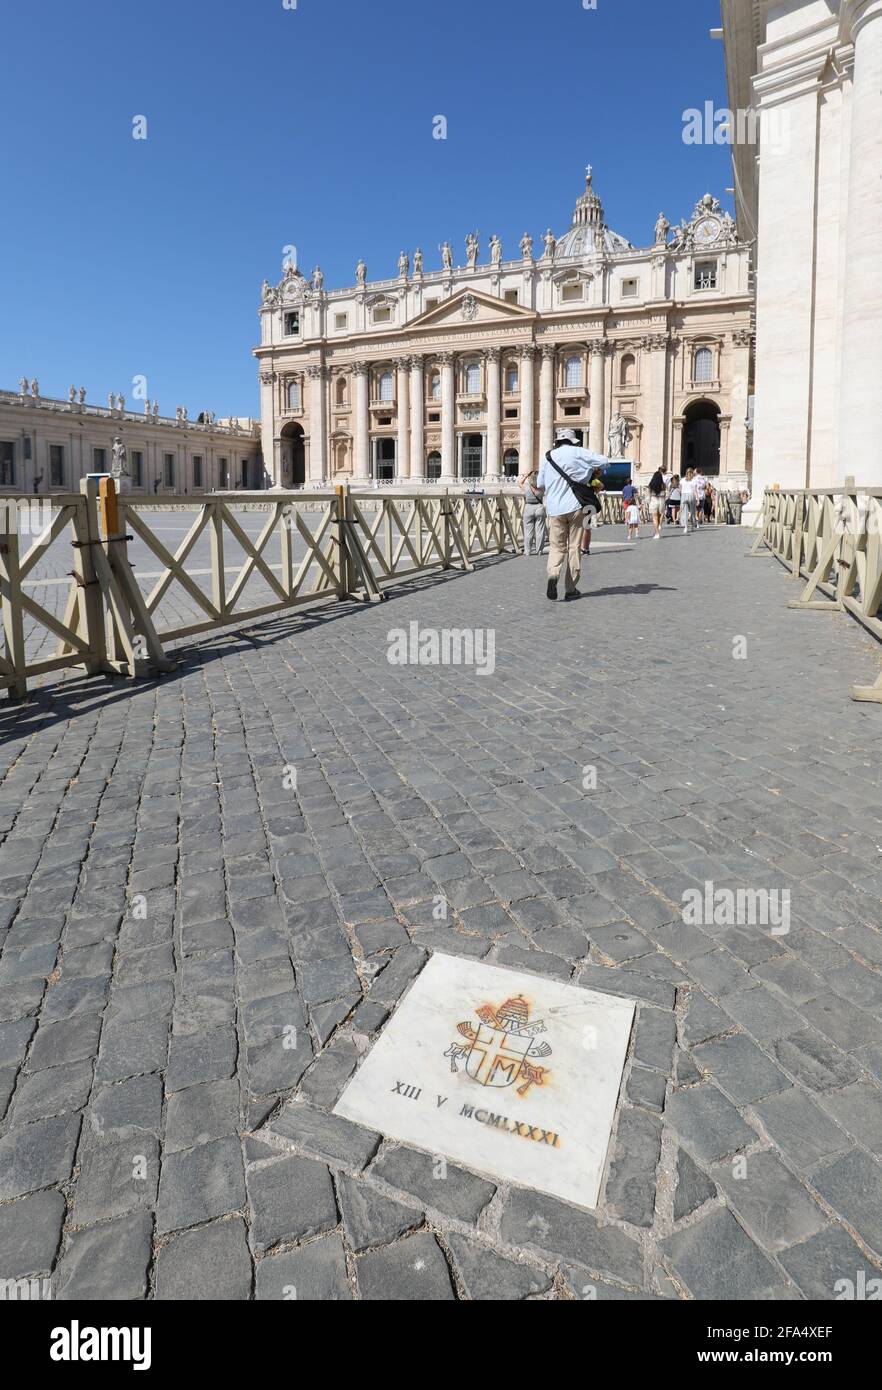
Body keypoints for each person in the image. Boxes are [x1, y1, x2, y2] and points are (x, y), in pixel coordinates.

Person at [537, 428, 608, 601]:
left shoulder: (548, 457)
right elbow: (605, 461)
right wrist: (590, 470)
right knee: (574, 547)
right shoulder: (578, 452)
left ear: (558, 442)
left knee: (556, 547)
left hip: (554, 509)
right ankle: (570, 588)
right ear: (572, 441)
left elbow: (540, 484)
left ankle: (553, 575)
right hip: (577, 507)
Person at [519, 465, 547, 556]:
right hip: (539, 507)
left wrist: (526, 475)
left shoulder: (527, 486)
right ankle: (539, 550)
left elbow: (519, 483)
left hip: (528, 508)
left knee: (528, 531)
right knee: (540, 531)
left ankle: (527, 551)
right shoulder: (542, 487)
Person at [580, 467, 605, 556]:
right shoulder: (592, 480)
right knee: (586, 527)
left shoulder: (581, 478)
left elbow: (601, 485)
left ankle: (582, 548)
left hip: (581, 504)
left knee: (582, 527)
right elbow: (601, 485)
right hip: (588, 504)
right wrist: (593, 492)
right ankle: (585, 548)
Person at [647, 466, 666, 539]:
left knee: (654, 518)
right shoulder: (663, 485)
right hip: (661, 500)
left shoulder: (651, 485)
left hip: (654, 500)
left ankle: (657, 533)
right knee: (658, 517)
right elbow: (665, 493)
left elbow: (648, 494)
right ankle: (656, 531)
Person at [680, 468, 698, 533]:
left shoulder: (682, 480)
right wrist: (697, 499)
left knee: (684, 512)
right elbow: (695, 491)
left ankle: (686, 527)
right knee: (692, 511)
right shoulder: (694, 480)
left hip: (684, 495)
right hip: (691, 495)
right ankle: (692, 526)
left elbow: (680, 490)